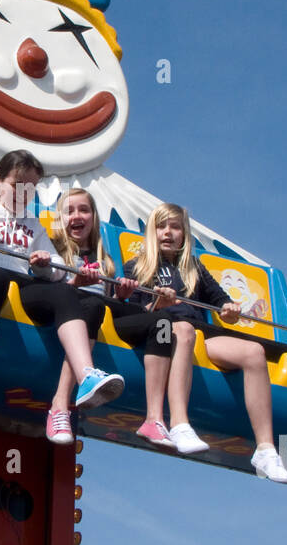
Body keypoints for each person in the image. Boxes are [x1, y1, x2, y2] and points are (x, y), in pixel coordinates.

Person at [0, 152, 124, 439]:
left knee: (64, 293)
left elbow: (57, 272)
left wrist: (44, 263)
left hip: (20, 284)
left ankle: (86, 374)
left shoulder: (33, 224)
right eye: (17, 185)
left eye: (30, 188)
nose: (23, 193)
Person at [117, 203, 287, 483]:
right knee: (184, 330)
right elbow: (132, 316)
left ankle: (265, 449)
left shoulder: (195, 268)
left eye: (175, 227)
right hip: (164, 333)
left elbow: (222, 303)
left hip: (200, 337)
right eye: (162, 226)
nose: (168, 233)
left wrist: (231, 311)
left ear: (185, 235)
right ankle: (179, 422)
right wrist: (157, 304)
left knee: (254, 352)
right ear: (152, 232)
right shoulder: (136, 267)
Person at [49, 188, 204, 451]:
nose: (77, 216)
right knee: (92, 306)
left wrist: (122, 295)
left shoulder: (105, 261)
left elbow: (115, 304)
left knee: (163, 322)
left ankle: (154, 419)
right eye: (70, 211)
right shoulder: (52, 249)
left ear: (94, 218)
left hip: (104, 313)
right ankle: (59, 405)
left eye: (84, 210)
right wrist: (75, 282)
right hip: (70, 312)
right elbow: (47, 285)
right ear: (59, 219)